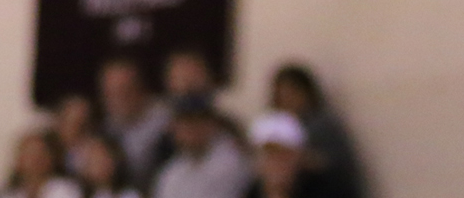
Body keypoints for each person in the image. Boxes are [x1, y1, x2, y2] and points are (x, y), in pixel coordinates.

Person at [270, 65, 363, 198]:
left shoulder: (322, 125)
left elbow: (334, 165)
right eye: (282, 96)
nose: (287, 101)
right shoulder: (279, 126)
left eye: (292, 94)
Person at [151, 94, 251, 198]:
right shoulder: (171, 172)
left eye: (198, 121)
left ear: (212, 124)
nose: (191, 130)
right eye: (185, 122)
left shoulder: (231, 162)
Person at [99, 57, 172, 191]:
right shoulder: (107, 129)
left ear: (141, 89)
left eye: (124, 91)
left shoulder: (166, 126)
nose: (117, 100)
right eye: (110, 94)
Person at [242, 112, 338, 198]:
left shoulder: (324, 191)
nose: (275, 164)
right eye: (269, 156)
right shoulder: (248, 191)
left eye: (283, 156)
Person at [0, 130, 82, 198]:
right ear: (19, 161)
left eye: (41, 153)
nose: (36, 159)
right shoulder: (9, 195)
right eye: (30, 154)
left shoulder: (65, 190)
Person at [71, 132, 140, 198]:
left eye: (104, 158)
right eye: (94, 160)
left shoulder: (129, 194)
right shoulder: (74, 193)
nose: (100, 165)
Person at [54, 94, 99, 176]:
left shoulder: (95, 153)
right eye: (73, 122)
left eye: (83, 123)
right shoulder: (49, 148)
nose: (77, 128)